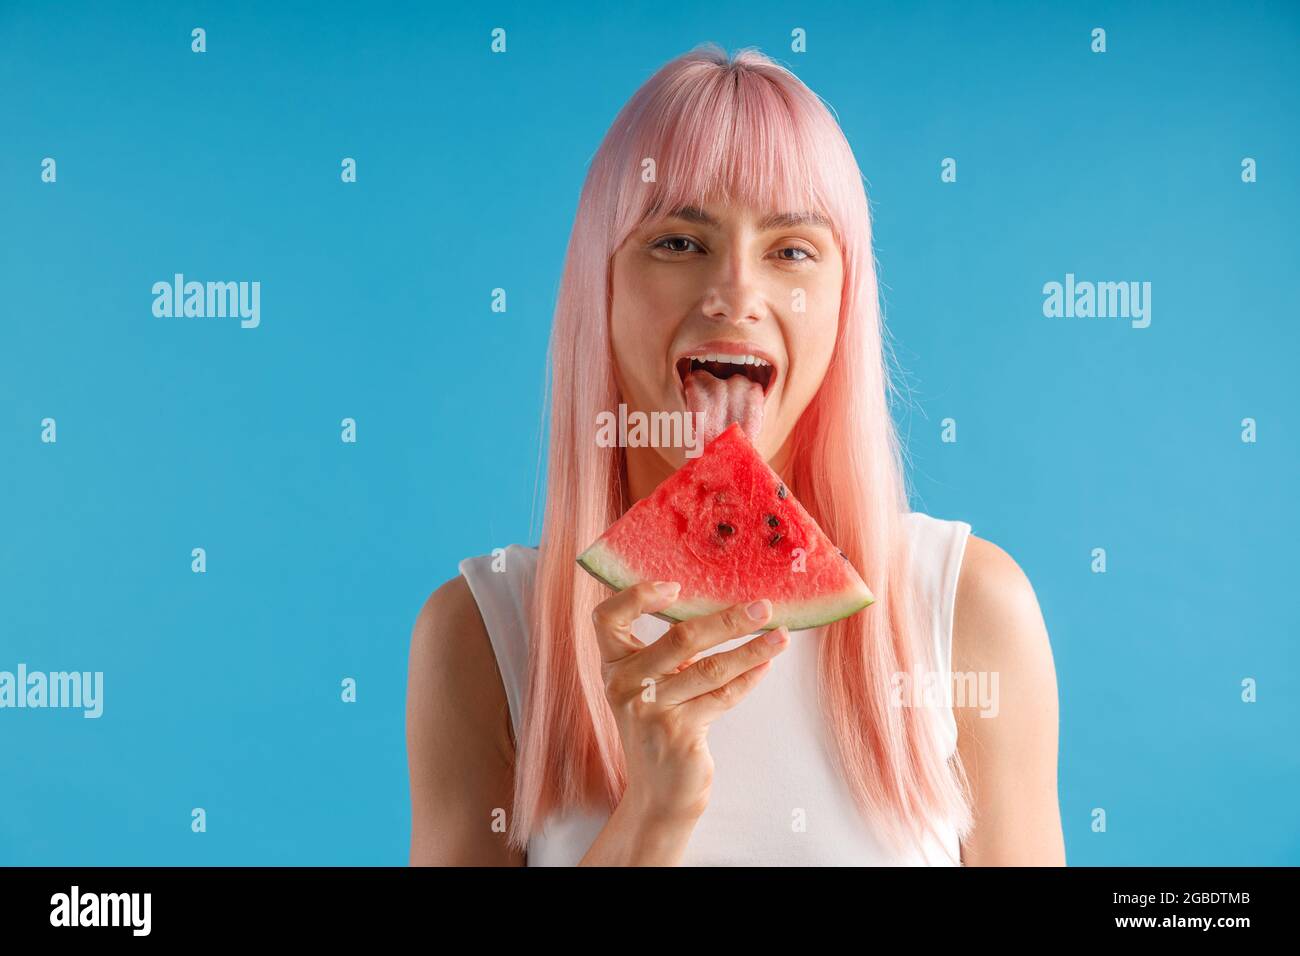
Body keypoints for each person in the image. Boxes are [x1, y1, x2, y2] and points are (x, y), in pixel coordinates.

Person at [406, 43, 1065, 866]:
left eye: (792, 249)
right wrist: (650, 816)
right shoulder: (483, 634)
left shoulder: (965, 608)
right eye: (679, 242)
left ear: (842, 303)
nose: (737, 295)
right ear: (599, 289)